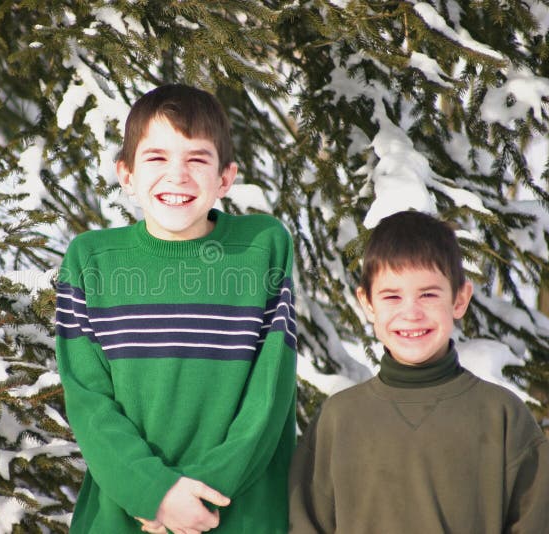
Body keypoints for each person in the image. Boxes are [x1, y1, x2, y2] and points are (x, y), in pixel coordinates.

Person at [55, 83, 297, 534]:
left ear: (225, 177)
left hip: (237, 512)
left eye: (197, 159)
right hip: (128, 516)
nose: (178, 175)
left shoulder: (263, 247)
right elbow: (88, 401)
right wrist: (155, 493)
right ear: (126, 175)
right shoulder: (90, 260)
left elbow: (269, 395)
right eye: (157, 158)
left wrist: (199, 493)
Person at [288, 210, 549, 533]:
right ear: (367, 303)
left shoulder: (502, 416)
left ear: (459, 299)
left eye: (427, 294)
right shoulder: (338, 419)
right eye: (392, 296)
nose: (410, 313)